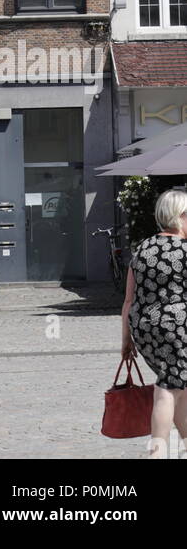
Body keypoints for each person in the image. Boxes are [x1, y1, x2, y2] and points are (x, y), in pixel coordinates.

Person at [122, 187, 187, 458]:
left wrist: (126, 340)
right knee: (169, 387)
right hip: (176, 327)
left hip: (145, 327)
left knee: (178, 384)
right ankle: (157, 451)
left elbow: (128, 300)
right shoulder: (184, 250)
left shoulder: (142, 249)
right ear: (180, 216)